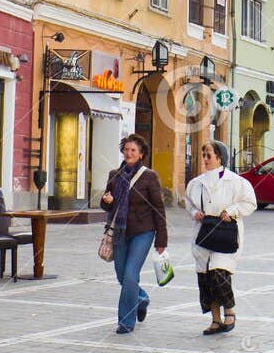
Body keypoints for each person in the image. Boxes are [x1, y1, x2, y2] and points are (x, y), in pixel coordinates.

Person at [184, 140, 256, 335]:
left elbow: (250, 203)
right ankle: (215, 319)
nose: (205, 159)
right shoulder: (196, 183)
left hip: (226, 233)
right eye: (204, 155)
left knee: (219, 273)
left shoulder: (237, 182)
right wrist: (194, 213)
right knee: (206, 277)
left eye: (209, 155)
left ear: (220, 157)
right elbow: (188, 203)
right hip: (204, 233)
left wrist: (231, 210)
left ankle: (230, 311)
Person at [100, 133, 169, 334]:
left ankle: (125, 321)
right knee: (122, 276)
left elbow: (158, 208)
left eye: (133, 150)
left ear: (140, 155)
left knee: (131, 274)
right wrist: (107, 201)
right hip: (119, 232)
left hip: (143, 232)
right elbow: (105, 204)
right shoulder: (114, 175)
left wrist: (161, 239)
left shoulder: (149, 176)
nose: (129, 153)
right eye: (126, 149)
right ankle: (141, 298)